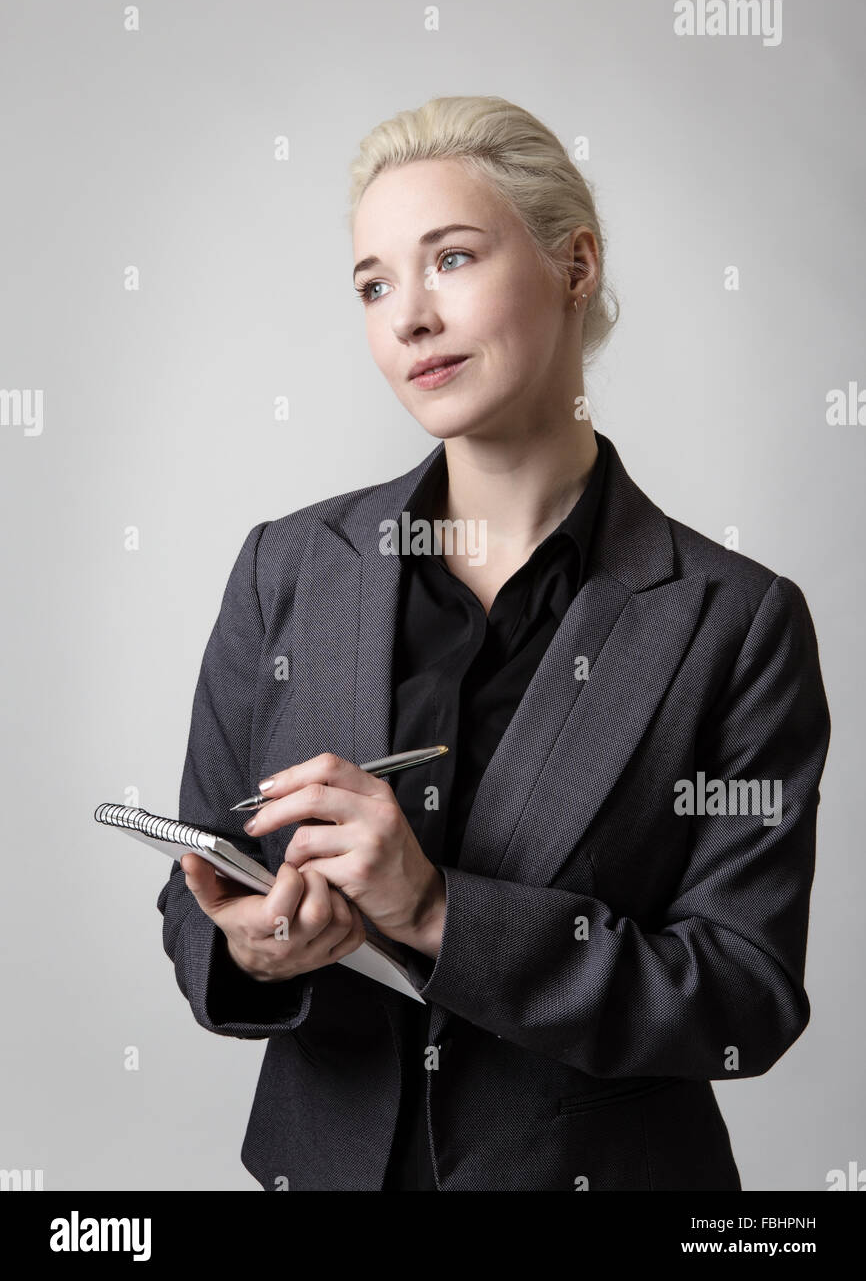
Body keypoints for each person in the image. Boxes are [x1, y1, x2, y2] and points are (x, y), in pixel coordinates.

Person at [157, 94, 831, 1191]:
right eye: (374, 284)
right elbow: (195, 875)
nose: (408, 317)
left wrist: (435, 911)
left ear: (574, 266)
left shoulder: (734, 619)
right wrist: (248, 947)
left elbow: (741, 995)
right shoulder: (286, 567)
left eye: (452, 259)